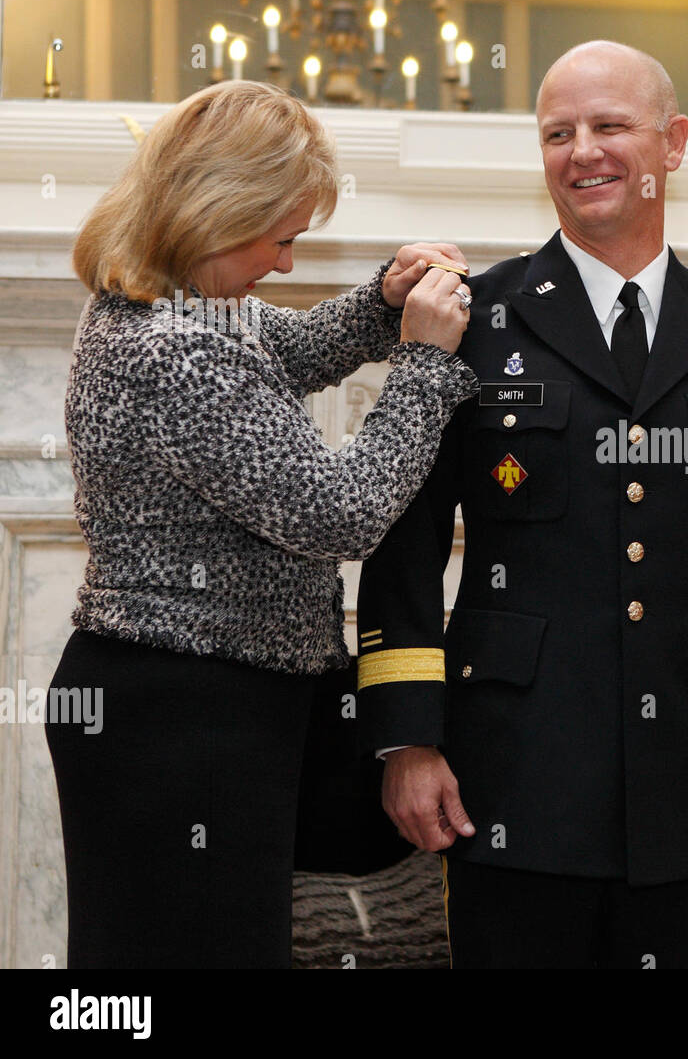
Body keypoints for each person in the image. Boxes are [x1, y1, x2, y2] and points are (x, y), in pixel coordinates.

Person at [356, 41, 688, 968]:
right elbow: (402, 544)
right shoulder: (470, 322)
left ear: (673, 142)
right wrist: (407, 742)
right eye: (558, 134)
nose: (584, 152)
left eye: (610, 126)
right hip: (512, 774)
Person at [46, 80, 479, 968]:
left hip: (211, 696)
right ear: (215, 213)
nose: (285, 265)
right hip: (181, 713)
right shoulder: (175, 352)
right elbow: (343, 512)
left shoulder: (177, 306)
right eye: (279, 240)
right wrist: (425, 367)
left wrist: (382, 303)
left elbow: (289, 349)